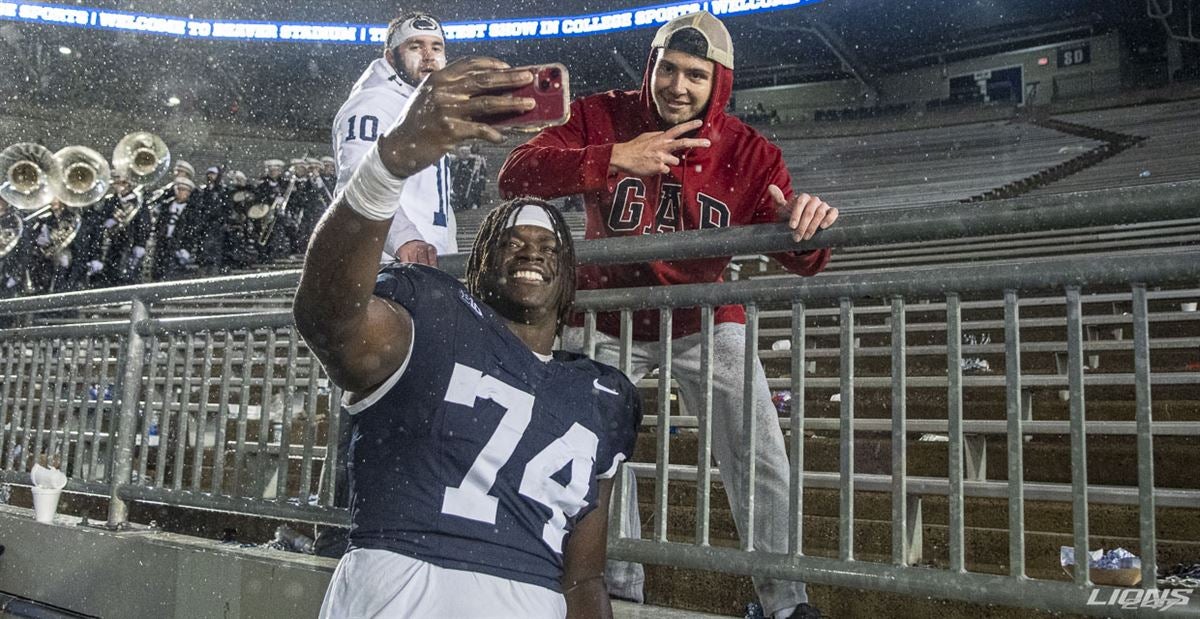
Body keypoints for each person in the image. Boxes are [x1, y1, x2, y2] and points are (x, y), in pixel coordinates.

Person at [498, 11, 838, 619]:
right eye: (669, 70)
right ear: (651, 66)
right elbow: (514, 174)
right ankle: (618, 583)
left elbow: (802, 257)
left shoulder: (750, 152)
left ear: (719, 85)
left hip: (701, 317)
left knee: (758, 450)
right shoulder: (603, 115)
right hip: (609, 314)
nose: (678, 86)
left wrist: (805, 229)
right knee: (601, 457)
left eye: (696, 76)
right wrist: (612, 157)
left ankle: (785, 600)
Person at [295, 56, 641, 618]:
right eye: (513, 241)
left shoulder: (603, 396)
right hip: (404, 588)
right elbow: (327, 316)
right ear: (481, 264)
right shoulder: (431, 318)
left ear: (569, 277)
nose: (533, 251)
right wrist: (390, 164)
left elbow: (584, 580)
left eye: (550, 246)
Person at [331, 11, 455, 266]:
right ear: (390, 56)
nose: (428, 56)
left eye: (436, 47)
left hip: (425, 262)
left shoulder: (425, 105)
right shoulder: (373, 103)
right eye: (415, 46)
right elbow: (357, 182)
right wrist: (404, 239)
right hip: (388, 263)